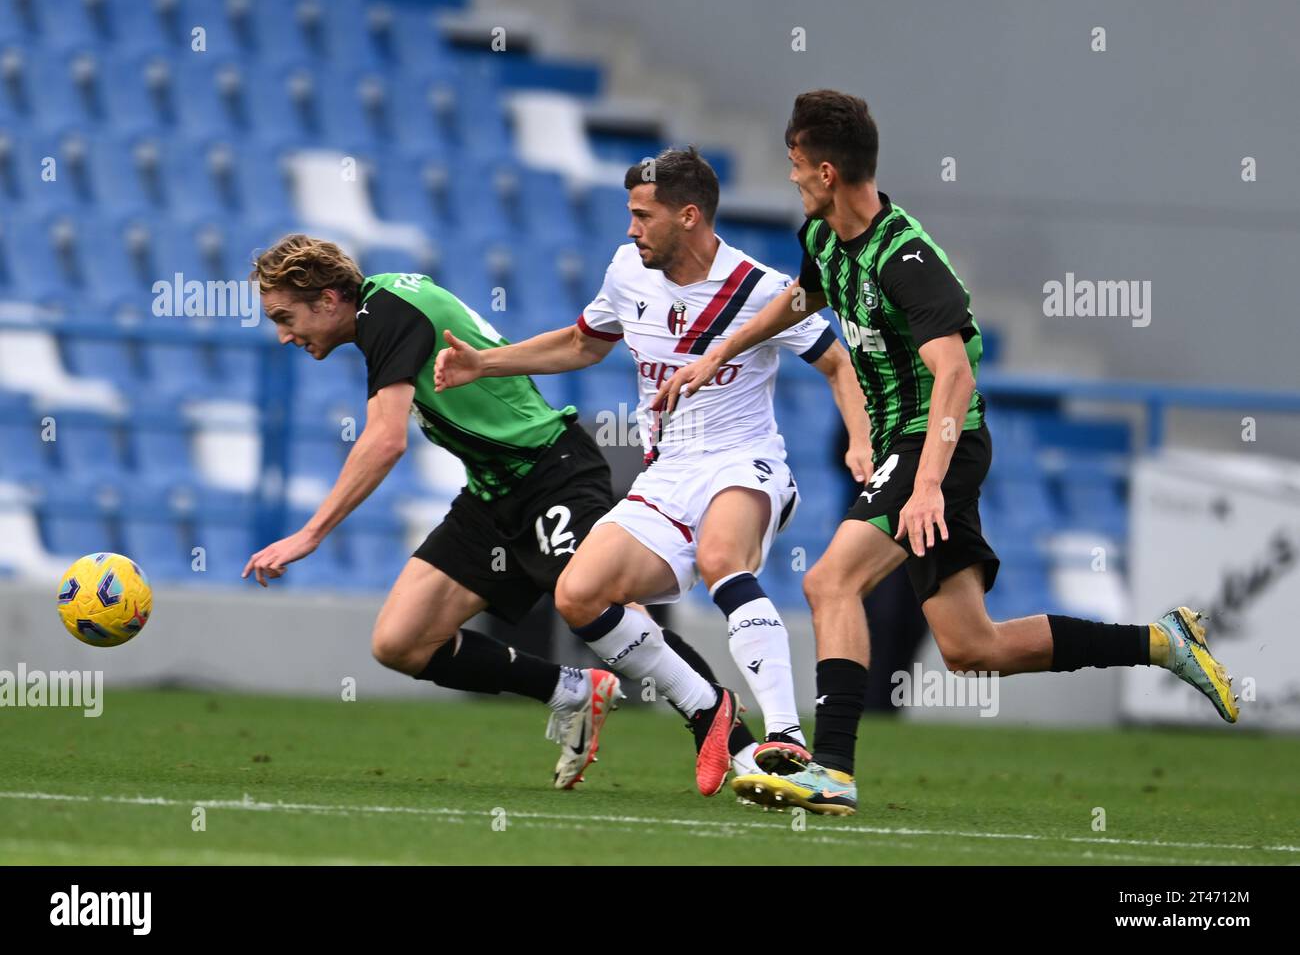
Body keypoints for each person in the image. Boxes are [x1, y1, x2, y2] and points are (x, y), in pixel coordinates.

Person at [656, 91, 1238, 815]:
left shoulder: (906, 257)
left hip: (937, 442)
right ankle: (1160, 641)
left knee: (829, 582)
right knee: (972, 647)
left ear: (828, 171)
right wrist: (720, 352)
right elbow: (800, 303)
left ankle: (830, 766)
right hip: (919, 451)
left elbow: (956, 372)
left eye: (796, 164)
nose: (792, 177)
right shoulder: (824, 240)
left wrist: (928, 483)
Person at [242, 234, 758, 792]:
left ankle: (738, 743)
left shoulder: (384, 310)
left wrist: (311, 534)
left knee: (608, 605)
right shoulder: (385, 306)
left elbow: (385, 440)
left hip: (550, 473)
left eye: (283, 315)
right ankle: (573, 691)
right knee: (401, 641)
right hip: (492, 494)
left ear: (326, 298)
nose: (283, 334)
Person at [434, 147, 872, 796]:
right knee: (579, 593)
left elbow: (838, 365)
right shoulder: (625, 271)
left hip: (741, 461)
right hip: (667, 473)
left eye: (643, 215)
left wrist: (859, 445)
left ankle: (788, 739)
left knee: (725, 556)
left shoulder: (757, 287)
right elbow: (584, 341)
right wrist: (484, 364)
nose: (632, 229)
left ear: (689, 216)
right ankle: (708, 709)